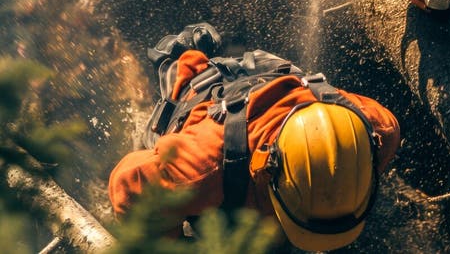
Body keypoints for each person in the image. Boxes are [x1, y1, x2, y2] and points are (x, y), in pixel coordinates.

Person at [109, 23, 400, 251]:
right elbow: (127, 183)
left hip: (273, 71)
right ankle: (184, 53)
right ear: (265, 173)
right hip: (207, 94)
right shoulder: (204, 168)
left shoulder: (379, 131)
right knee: (181, 77)